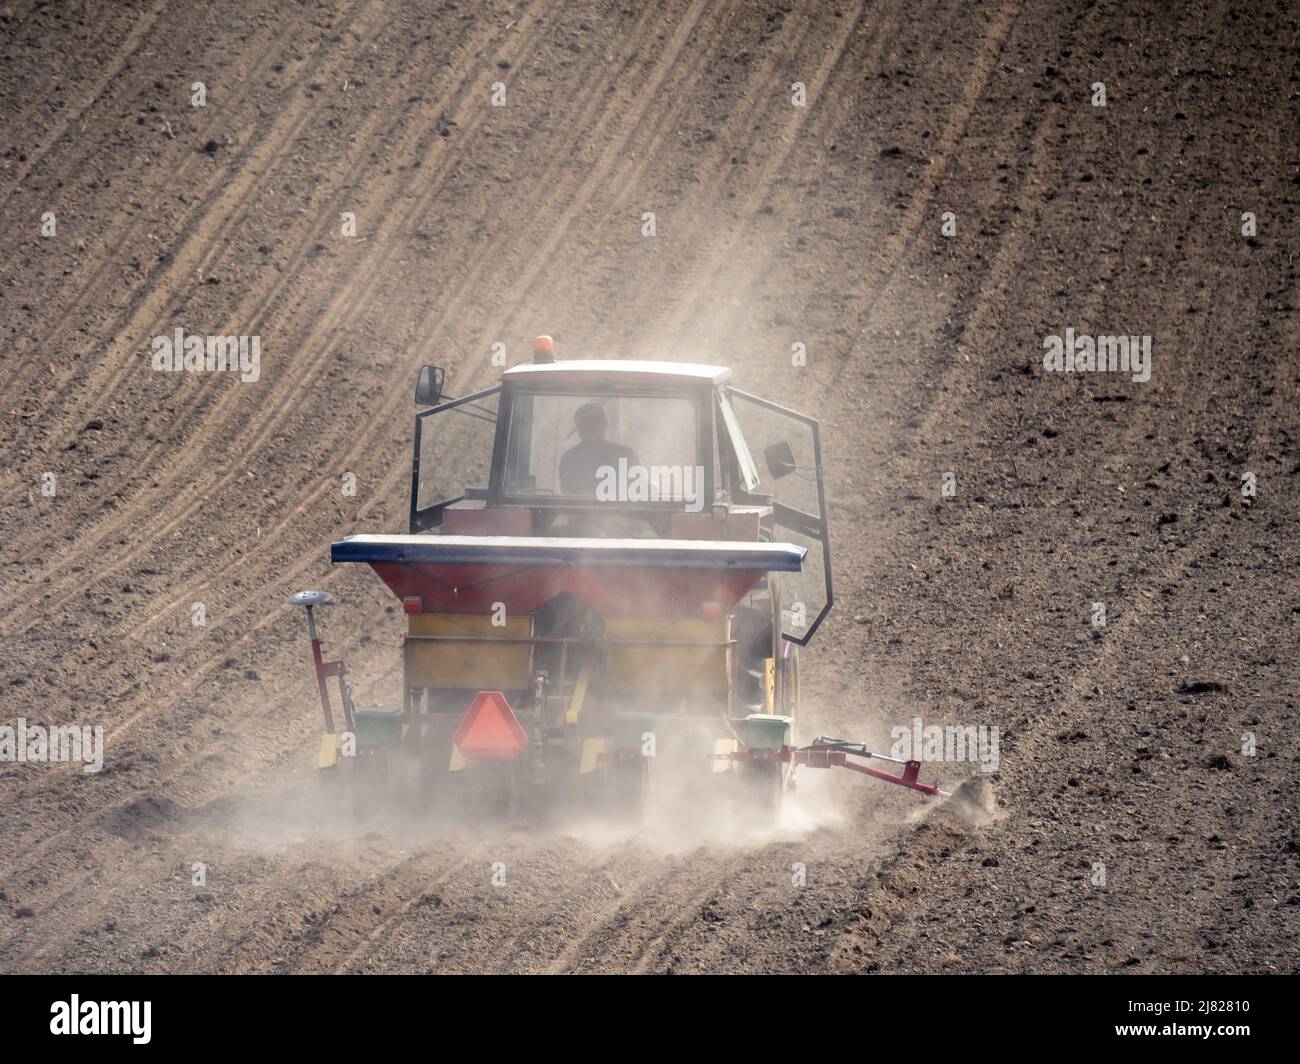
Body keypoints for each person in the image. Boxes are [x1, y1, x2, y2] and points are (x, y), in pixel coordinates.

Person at [559, 402, 639, 496]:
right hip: (620, 511)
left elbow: (567, 494)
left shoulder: (569, 458)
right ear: (605, 424)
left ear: (579, 430)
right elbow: (641, 493)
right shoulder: (626, 455)